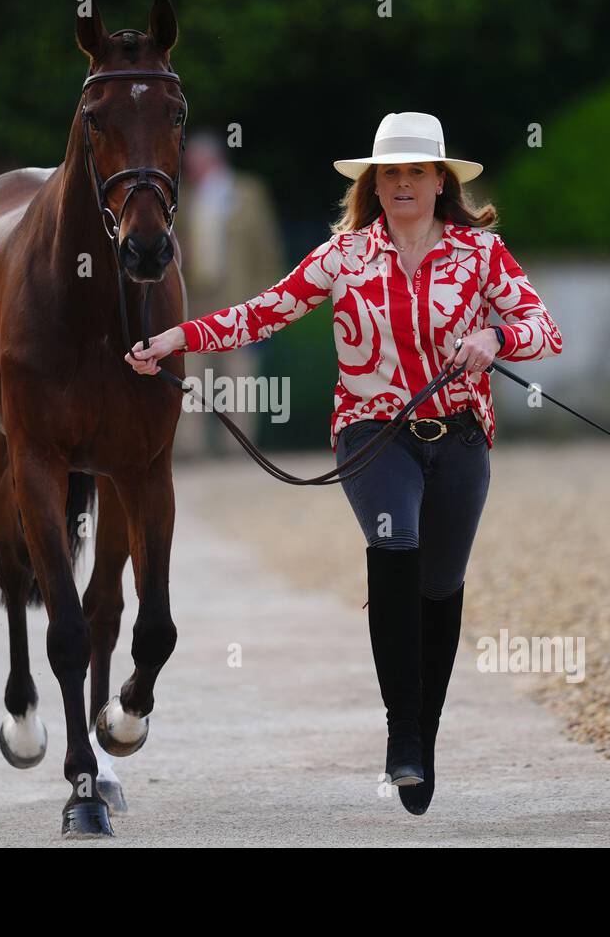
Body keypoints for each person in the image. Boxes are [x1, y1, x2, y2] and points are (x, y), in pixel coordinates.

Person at [123, 112, 562, 815]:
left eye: (417, 172)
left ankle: (427, 731)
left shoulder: (482, 254)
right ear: (375, 184)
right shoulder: (345, 256)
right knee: (394, 547)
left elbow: (546, 328)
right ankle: (403, 741)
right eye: (391, 173)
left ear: (441, 181)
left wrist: (495, 334)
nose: (404, 184)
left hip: (460, 439)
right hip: (371, 435)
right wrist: (175, 336)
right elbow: (261, 313)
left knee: (441, 585)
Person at [172, 129, 286, 457]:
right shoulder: (186, 196)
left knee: (238, 376)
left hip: (240, 297)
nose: (190, 165)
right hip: (195, 297)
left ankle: (237, 447)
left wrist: (268, 301)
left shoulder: (248, 193)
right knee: (192, 375)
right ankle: (190, 449)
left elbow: (267, 250)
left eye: (195, 159)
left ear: (213, 159)